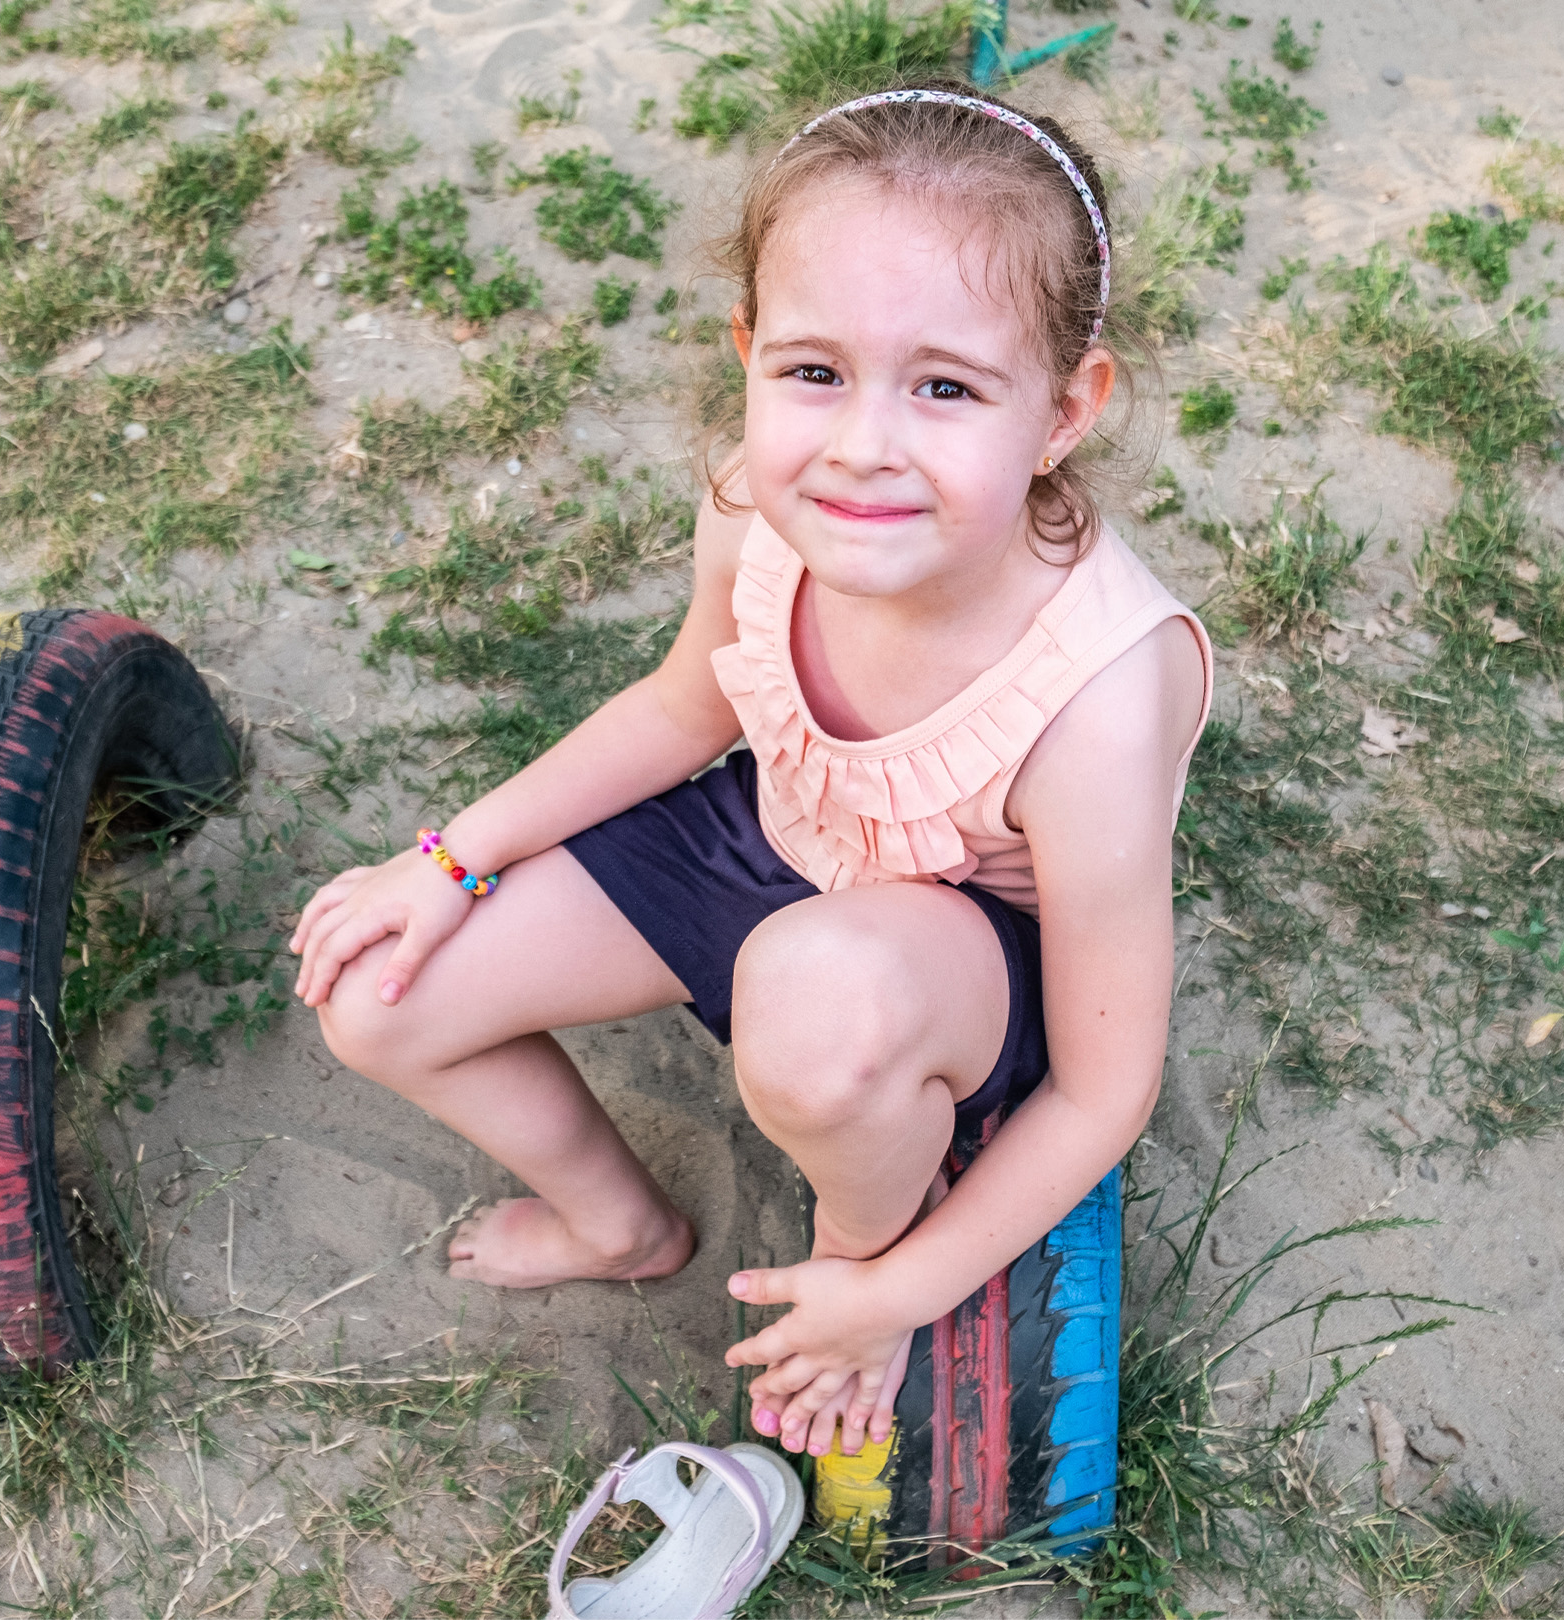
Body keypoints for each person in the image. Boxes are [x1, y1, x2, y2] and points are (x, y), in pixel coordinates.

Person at [288, 82, 1214, 1464]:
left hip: (953, 963)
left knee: (819, 1002)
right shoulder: (758, 508)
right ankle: (621, 1221)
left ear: (1067, 409)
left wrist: (892, 1292)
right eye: (813, 371)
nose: (861, 447)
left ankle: (851, 1256)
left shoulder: (1097, 698)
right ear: (748, 350)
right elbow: (682, 707)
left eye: (947, 386)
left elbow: (1103, 1090)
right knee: (379, 994)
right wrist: (452, 859)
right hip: (770, 837)